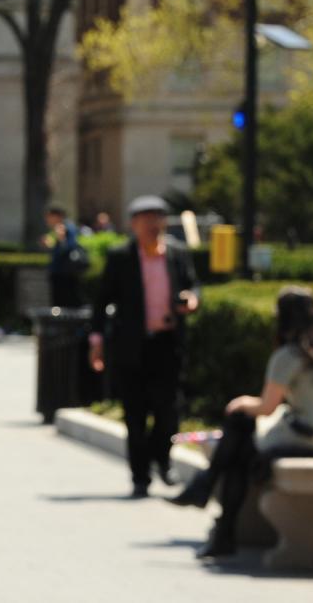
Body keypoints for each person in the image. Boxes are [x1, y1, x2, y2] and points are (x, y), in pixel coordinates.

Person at [169, 287, 313, 559]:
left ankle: (211, 499)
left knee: (239, 428)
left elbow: (266, 408)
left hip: (311, 437)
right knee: (241, 442)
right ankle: (209, 496)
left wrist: (242, 402)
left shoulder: (289, 355)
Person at [89, 195, 200, 498]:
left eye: (158, 218)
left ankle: (162, 460)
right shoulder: (121, 257)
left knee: (168, 411)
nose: (154, 225)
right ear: (134, 224)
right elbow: (102, 302)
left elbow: (192, 284)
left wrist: (192, 299)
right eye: (147, 219)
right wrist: (96, 342)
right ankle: (140, 476)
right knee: (135, 414)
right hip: (131, 347)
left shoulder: (177, 253)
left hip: (167, 343)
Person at [43, 206, 88, 307]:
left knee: (65, 304)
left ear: (57, 216)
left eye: (49, 216)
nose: (47, 219)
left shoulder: (65, 227)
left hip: (64, 274)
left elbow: (68, 247)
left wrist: (59, 240)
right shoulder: (62, 228)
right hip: (63, 272)